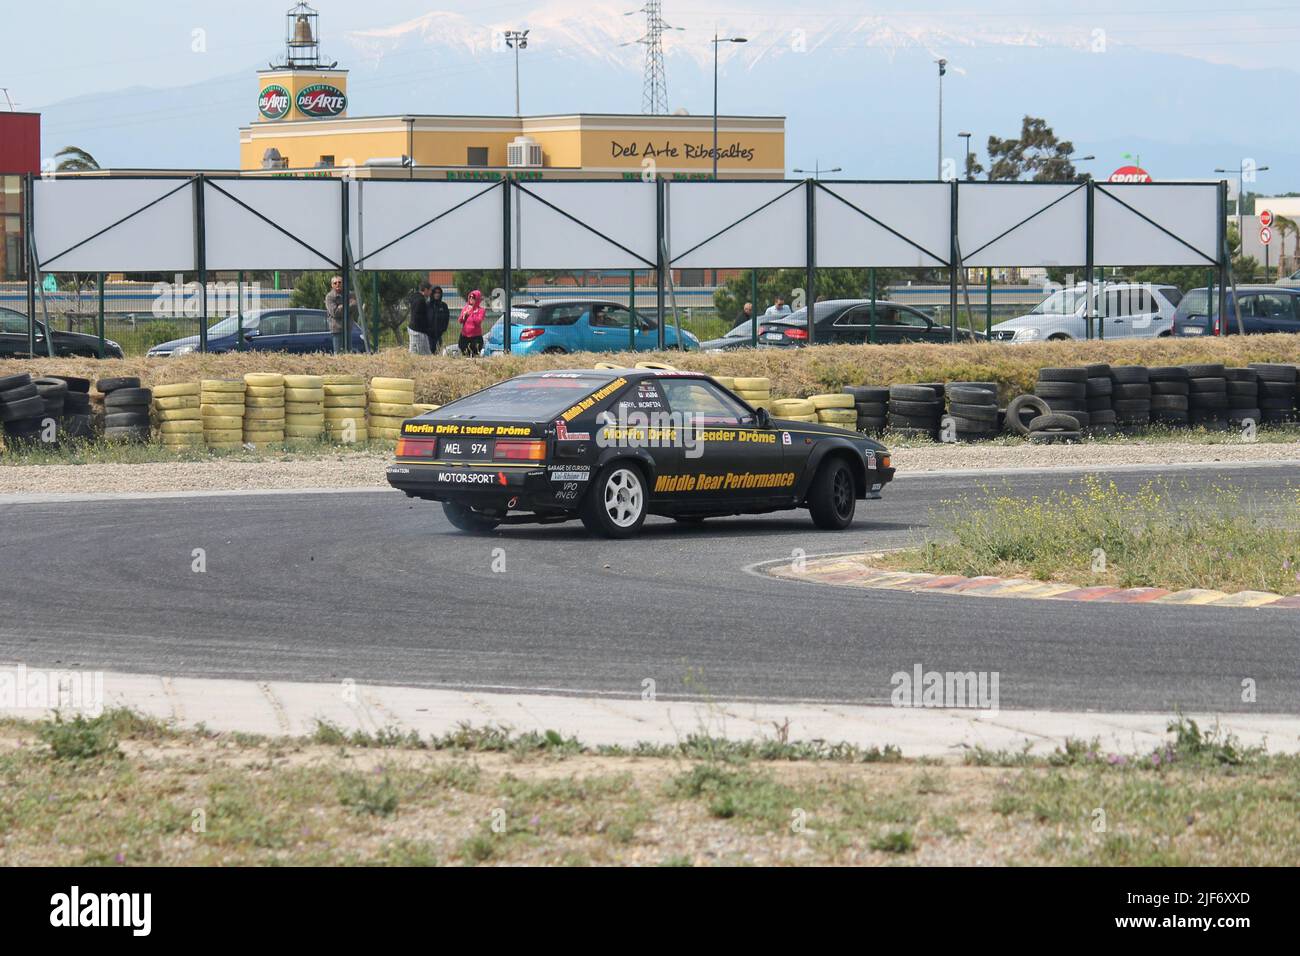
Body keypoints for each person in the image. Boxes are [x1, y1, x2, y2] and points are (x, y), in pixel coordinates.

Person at [324, 275, 358, 354]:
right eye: (335, 283)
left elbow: (355, 306)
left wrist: (341, 307)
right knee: (338, 354)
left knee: (349, 354)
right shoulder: (329, 297)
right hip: (337, 329)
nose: (337, 284)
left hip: (348, 328)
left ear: (343, 283)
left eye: (339, 282)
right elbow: (334, 313)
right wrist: (348, 306)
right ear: (332, 285)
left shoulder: (350, 294)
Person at [406, 281, 433, 354]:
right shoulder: (420, 300)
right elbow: (418, 316)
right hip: (418, 331)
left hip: (417, 330)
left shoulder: (415, 297)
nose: (431, 292)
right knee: (416, 353)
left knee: (426, 352)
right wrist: (426, 328)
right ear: (425, 290)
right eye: (430, 290)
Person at [458, 289, 486, 358]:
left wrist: (472, 312)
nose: (471, 299)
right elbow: (460, 320)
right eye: (470, 297)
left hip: (476, 337)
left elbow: (478, 321)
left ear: (477, 299)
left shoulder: (481, 310)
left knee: (474, 355)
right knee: (465, 355)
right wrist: (464, 315)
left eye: (473, 297)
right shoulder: (465, 308)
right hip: (464, 337)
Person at [429, 285, 450, 354]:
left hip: (439, 334)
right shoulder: (428, 305)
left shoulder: (444, 305)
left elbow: (447, 318)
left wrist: (443, 329)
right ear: (432, 294)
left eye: (439, 293)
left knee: (436, 351)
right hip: (429, 334)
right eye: (435, 292)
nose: (437, 294)